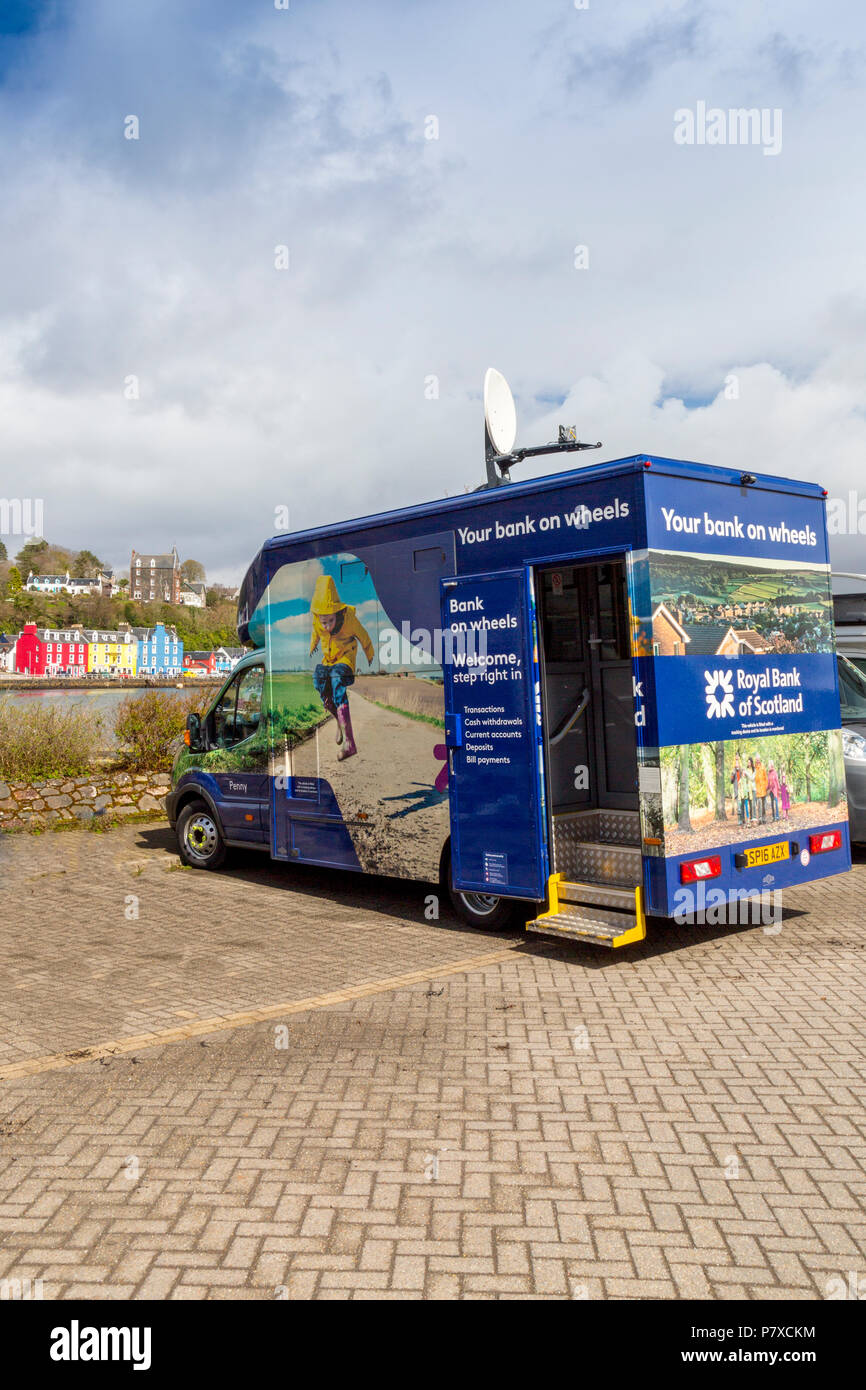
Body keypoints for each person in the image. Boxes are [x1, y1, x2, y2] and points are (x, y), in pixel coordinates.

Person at [309, 574, 375, 761]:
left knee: (337, 680)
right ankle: (339, 720)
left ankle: (350, 744)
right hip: (327, 660)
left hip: (345, 659)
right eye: (324, 622)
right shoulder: (318, 621)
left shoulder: (348, 619)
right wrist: (312, 645)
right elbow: (315, 633)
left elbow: (364, 636)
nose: (328, 626)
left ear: (336, 614)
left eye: (331, 620)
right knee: (318, 680)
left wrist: (369, 653)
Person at [731, 753, 746, 824]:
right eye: (736, 762)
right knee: (739, 806)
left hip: (742, 790)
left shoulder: (741, 769)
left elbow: (744, 777)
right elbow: (731, 781)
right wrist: (732, 774)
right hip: (736, 790)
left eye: (738, 762)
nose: (737, 764)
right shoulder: (733, 770)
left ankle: (743, 819)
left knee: (742, 805)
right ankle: (739, 820)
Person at [754, 754, 768, 823]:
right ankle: (759, 819)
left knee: (764, 806)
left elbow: (766, 778)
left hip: (763, 789)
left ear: (760, 759)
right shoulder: (754, 768)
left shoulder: (763, 767)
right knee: (759, 805)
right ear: (755, 760)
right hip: (757, 790)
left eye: (758, 759)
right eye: (756, 759)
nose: (757, 760)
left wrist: (766, 786)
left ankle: (764, 818)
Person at [744, 756, 757, 825]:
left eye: (749, 762)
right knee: (750, 805)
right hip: (748, 790)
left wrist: (747, 773)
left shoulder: (754, 770)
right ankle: (751, 819)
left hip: (753, 789)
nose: (748, 763)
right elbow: (745, 780)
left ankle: (754, 818)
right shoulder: (746, 770)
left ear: (751, 763)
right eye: (747, 762)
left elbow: (752, 778)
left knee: (753, 804)